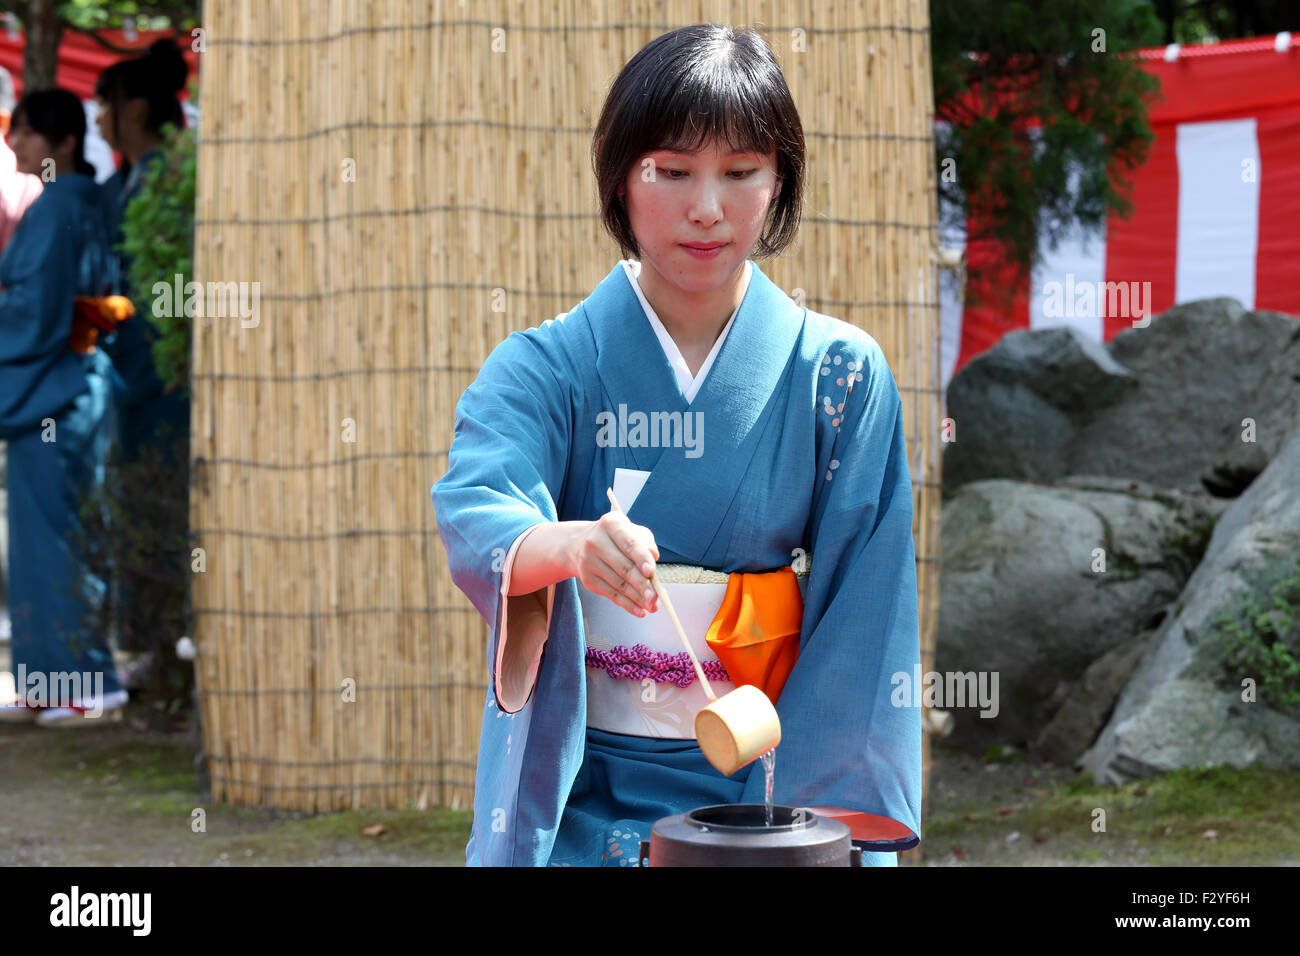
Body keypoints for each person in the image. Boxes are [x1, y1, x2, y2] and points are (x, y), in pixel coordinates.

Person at [431, 23, 922, 866]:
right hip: (586, 783)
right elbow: (481, 503)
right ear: (620, 180)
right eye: (671, 170)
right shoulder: (545, 368)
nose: (707, 206)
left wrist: (824, 828)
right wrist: (571, 545)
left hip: (772, 786)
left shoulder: (838, 375)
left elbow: (864, 614)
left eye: (740, 172)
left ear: (781, 182)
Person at [0, 89, 126, 726]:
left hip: (56, 383)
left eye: (26, 133)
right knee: (58, 531)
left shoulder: (57, 208)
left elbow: (33, 309)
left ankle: (85, 680)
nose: (16, 143)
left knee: (55, 536)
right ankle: (58, 679)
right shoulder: (81, 199)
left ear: (64, 142)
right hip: (73, 381)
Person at [93, 39, 192, 682]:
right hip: (132, 376)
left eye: (104, 105)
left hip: (156, 378)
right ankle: (152, 649)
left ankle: (166, 650)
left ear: (131, 106)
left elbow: (163, 297)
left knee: (161, 511)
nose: (98, 118)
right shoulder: (127, 180)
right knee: (141, 507)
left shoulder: (162, 180)